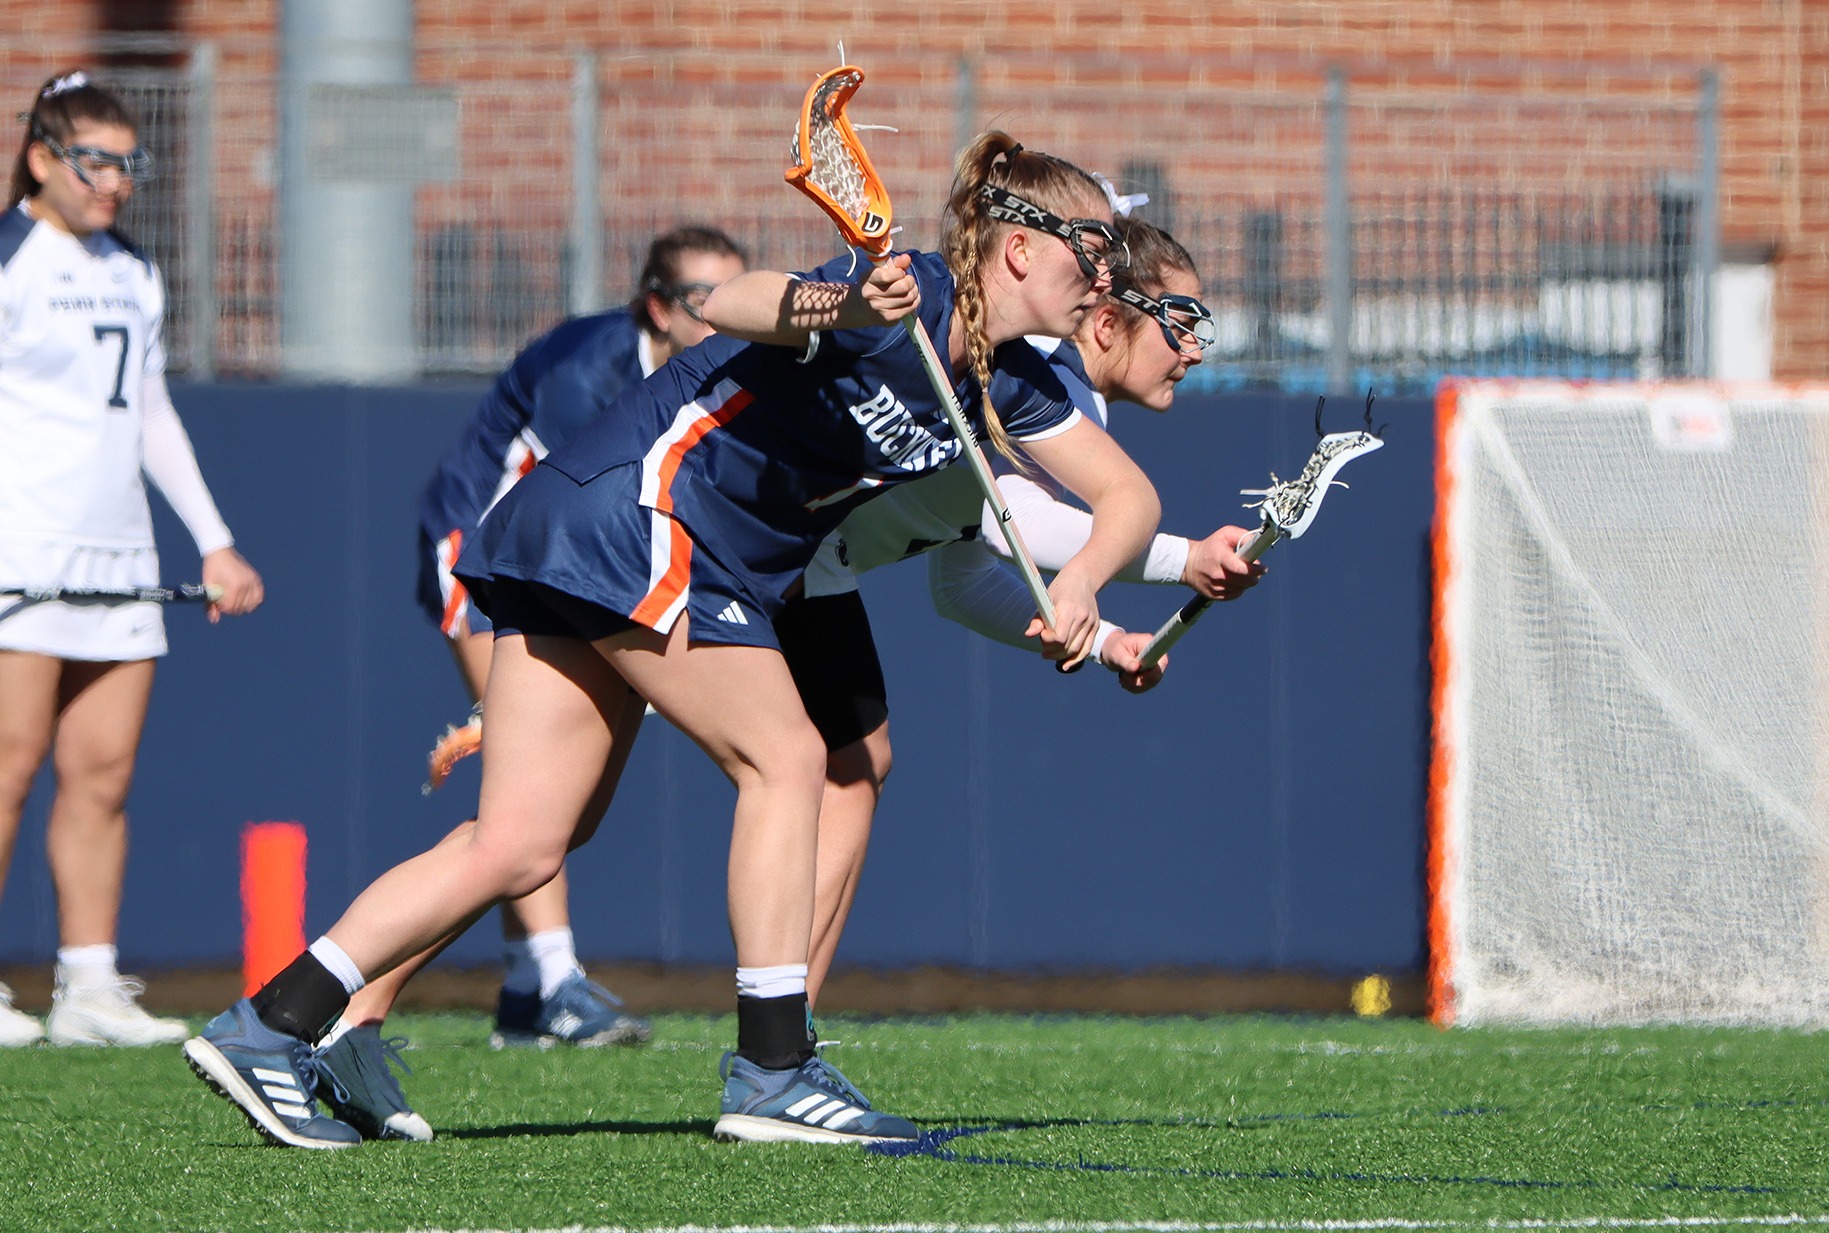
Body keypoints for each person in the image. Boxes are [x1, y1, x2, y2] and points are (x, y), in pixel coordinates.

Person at [182, 131, 1159, 1148]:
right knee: (787, 758)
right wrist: (841, 306)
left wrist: (1083, 581)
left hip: (607, 530)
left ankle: (272, 1024)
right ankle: (774, 1069)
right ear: (1017, 250)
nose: (1107, 278)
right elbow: (729, 302)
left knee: (521, 844)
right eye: (1092, 250)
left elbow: (1127, 496)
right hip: (644, 516)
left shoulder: (1006, 381)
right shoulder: (908, 290)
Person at [286, 226, 750, 1143]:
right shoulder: (588, 373)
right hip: (493, 553)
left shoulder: (704, 370)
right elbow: (567, 513)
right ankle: (540, 978)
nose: (728, 315)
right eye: (708, 300)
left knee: (552, 819)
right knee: (527, 815)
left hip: (568, 565)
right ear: (659, 308)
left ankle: (511, 986)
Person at [783, 217, 1258, 1002]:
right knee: (806, 767)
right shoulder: (1047, 386)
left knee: (854, 766)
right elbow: (1012, 517)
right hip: (771, 545)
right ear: (1108, 323)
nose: (1195, 350)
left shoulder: (1059, 391)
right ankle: (774, 1030)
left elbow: (962, 580)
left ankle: (784, 1028)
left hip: (814, 567)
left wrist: (1104, 640)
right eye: (1181, 322)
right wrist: (1186, 559)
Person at [0, 71, 262, 1049]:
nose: (114, 182)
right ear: (41, 158)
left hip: (118, 552)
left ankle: (89, 987)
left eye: (127, 164)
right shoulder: (10, 258)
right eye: (94, 162)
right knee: (8, 766)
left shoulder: (133, 268)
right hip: (20, 550)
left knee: (102, 774)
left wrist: (214, 539)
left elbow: (150, 412)